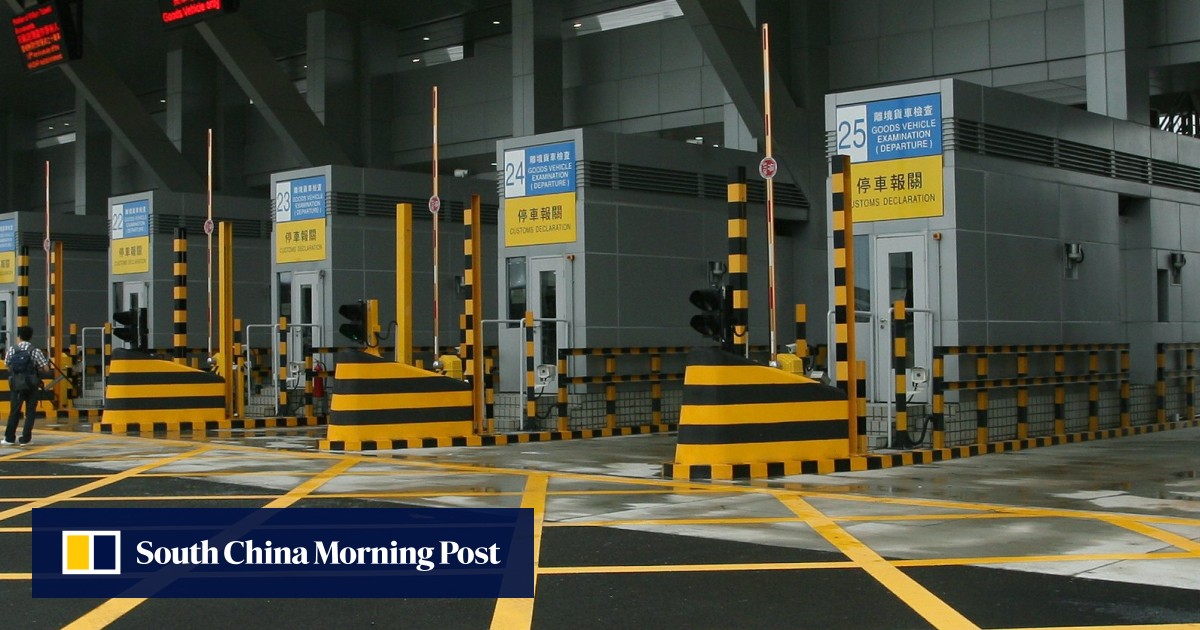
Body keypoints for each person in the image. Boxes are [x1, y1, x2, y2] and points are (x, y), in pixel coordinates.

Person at [3, 325, 50, 447]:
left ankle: (9, 438)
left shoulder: (12, 349)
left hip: (17, 385)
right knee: (30, 412)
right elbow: (46, 369)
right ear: (31, 337)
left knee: (14, 411)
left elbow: (7, 365)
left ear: (19, 336)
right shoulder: (35, 350)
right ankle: (25, 439)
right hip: (31, 385)